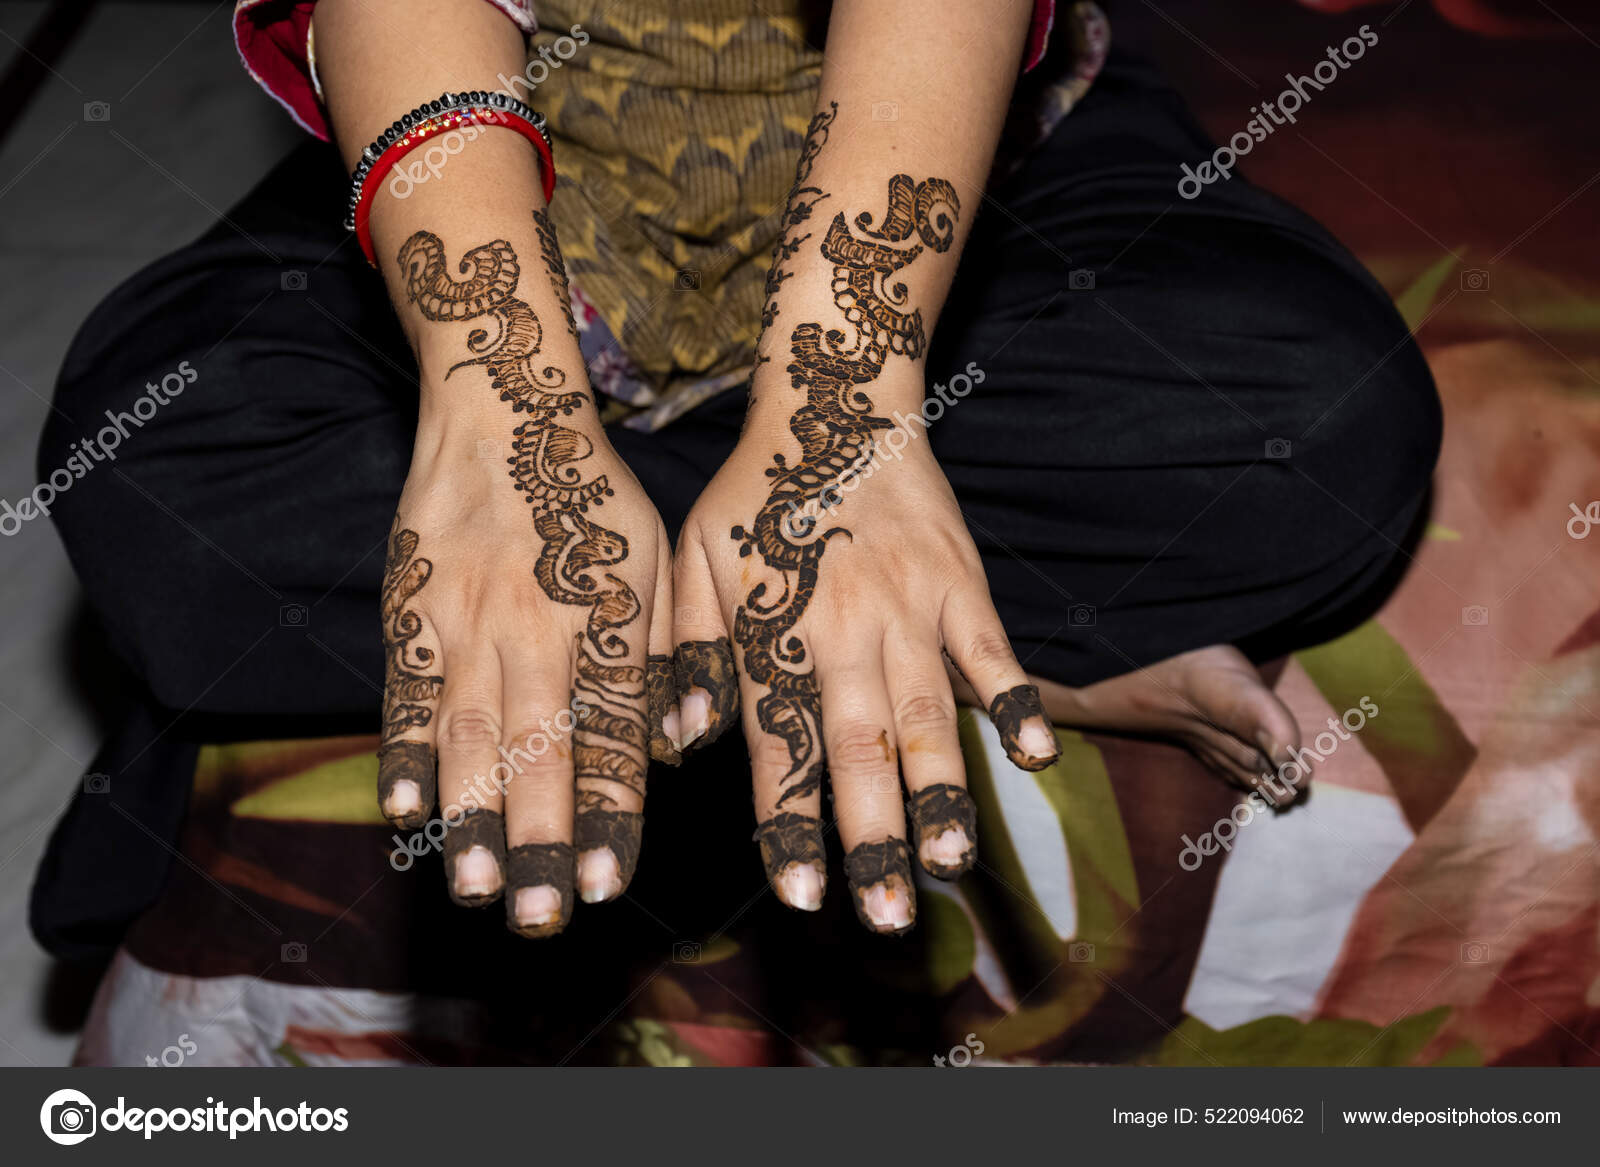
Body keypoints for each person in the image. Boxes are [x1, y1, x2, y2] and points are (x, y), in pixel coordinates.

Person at [38, 0, 1439, 960]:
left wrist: (848, 413)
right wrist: (498, 412)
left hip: (954, 132)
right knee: (158, 474)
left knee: (1313, 426)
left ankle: (720, 588)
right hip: (505, 147)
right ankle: (925, 635)